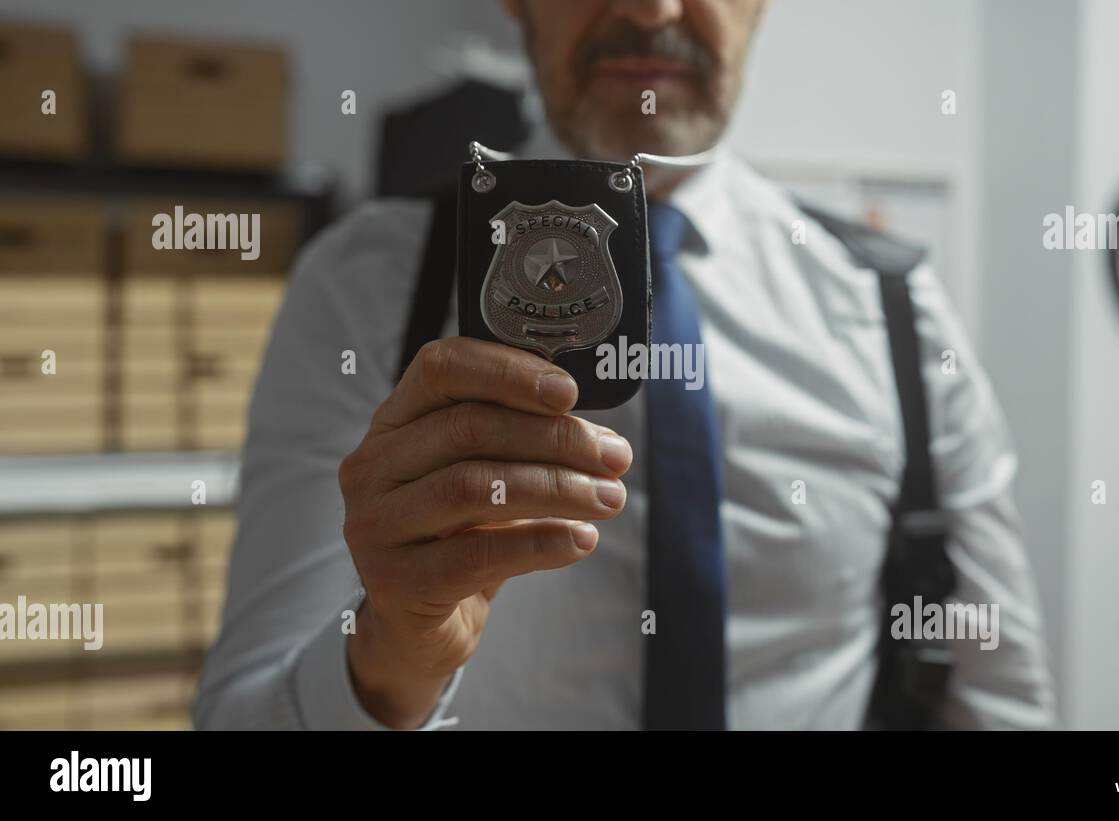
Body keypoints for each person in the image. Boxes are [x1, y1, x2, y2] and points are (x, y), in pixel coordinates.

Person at [193, 0, 1055, 730]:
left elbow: (1004, 701)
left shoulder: (895, 308)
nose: (651, 9)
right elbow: (241, 714)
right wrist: (390, 658)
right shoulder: (365, 288)